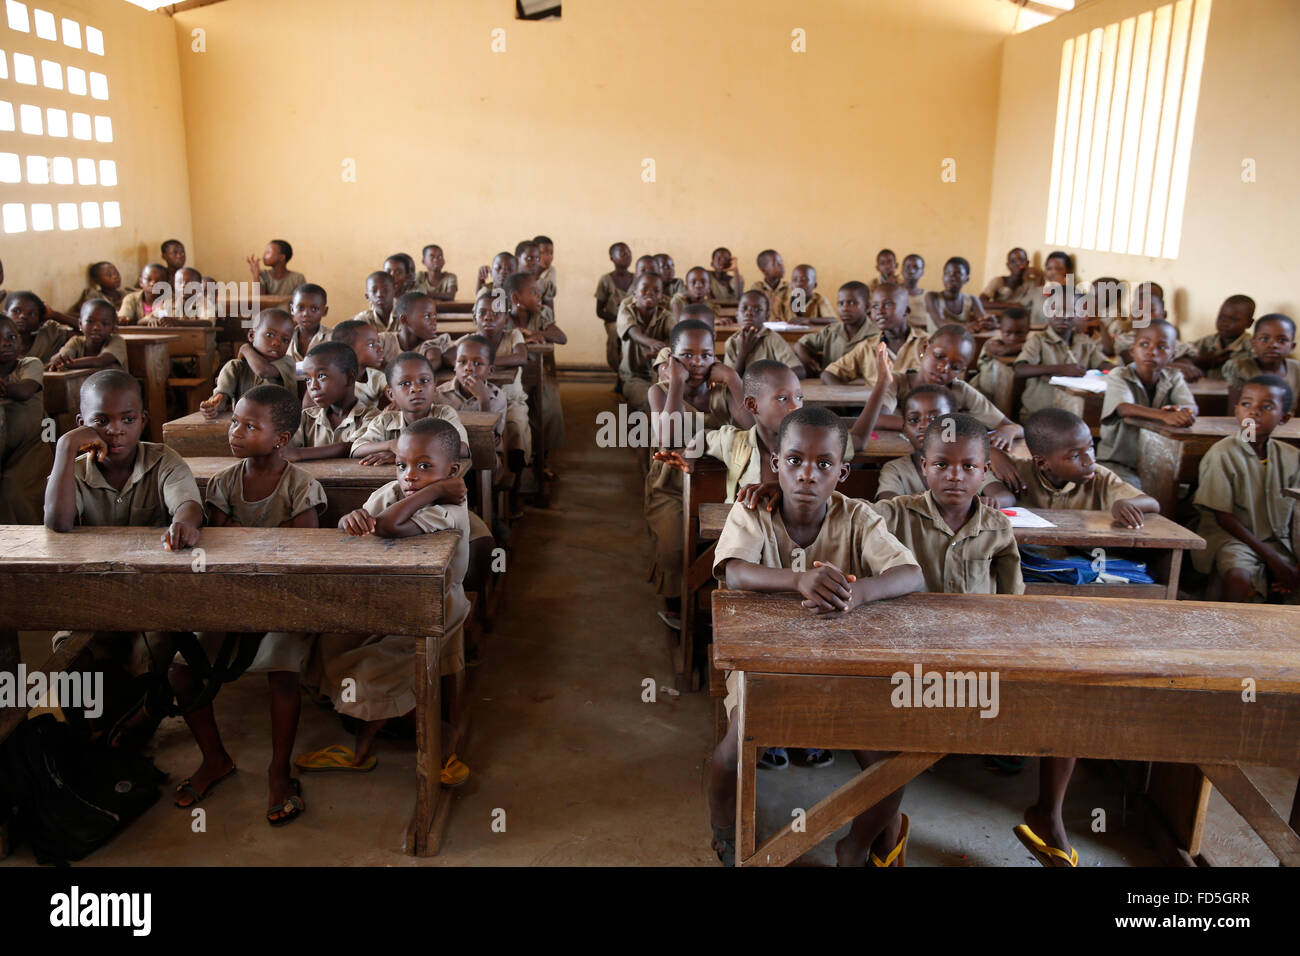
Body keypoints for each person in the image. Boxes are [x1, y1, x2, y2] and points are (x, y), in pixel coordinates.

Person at [705, 404, 924, 866]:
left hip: (845, 667)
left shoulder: (858, 517)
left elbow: (909, 574)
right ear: (775, 464)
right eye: (795, 461)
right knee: (730, 751)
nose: (808, 474)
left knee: (891, 768)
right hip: (763, 663)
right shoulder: (754, 511)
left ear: (842, 473)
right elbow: (735, 572)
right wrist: (796, 579)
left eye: (824, 464)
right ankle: (725, 830)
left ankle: (857, 844)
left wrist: (861, 591)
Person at [171, 385, 326, 825]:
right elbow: (220, 544)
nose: (235, 432)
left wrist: (242, 531)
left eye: (249, 426)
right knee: (181, 669)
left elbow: (304, 551)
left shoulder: (301, 484)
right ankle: (215, 757)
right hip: (232, 599)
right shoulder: (223, 481)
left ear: (281, 439)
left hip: (286, 602)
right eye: (235, 421)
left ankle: (279, 770)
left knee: (282, 672)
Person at [302, 417, 473, 783]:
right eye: (402, 465)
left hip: (436, 610)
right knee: (329, 641)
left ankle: (440, 735)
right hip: (390, 602)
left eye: (424, 467)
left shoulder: (450, 507)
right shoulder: (392, 492)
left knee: (369, 672)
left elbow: (388, 526)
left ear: (453, 471)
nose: (409, 476)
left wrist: (435, 490)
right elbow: (365, 522)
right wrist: (350, 518)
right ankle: (368, 733)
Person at [1191, 376, 1299, 602]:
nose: (1254, 412)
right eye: (1247, 404)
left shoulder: (1291, 457)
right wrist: (1273, 561)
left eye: (1267, 406)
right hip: (1232, 538)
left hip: (1279, 541)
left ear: (1285, 417)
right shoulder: (1223, 453)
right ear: (1236, 409)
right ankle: (1226, 632)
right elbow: (1223, 517)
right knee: (1239, 577)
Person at [1095, 320, 1196, 487]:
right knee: (1135, 492)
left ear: (1172, 355)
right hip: (1118, 463)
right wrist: (1164, 416)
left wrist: (1181, 411)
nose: (1151, 352)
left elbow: (1190, 405)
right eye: (1144, 344)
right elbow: (1123, 408)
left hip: (1157, 462)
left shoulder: (1174, 376)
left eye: (1162, 347)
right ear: (1133, 351)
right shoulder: (1119, 375)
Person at [281, 341, 379, 461]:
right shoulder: (305, 419)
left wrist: (300, 453)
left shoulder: (374, 419)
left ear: (349, 378)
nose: (313, 386)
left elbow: (355, 447)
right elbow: (284, 449)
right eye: (308, 379)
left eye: (321, 376)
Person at [0, 314, 51, 522]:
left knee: (13, 491)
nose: (5, 343)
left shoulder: (30, 364)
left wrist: (4, 388)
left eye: (11, 337)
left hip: (31, 447)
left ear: (20, 341)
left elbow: (24, 391)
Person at [200, 309, 297, 418]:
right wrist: (215, 404)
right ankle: (217, 405)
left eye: (285, 340)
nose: (277, 343)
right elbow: (224, 392)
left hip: (278, 423)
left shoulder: (287, 362)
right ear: (252, 335)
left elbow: (263, 371)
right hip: (244, 423)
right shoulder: (238, 368)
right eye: (270, 335)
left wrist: (245, 348)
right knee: (232, 365)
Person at [1222, 314, 1299, 413]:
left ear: (1292, 346)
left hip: (1289, 427)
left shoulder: (1297, 370)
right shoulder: (1240, 368)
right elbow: (1235, 413)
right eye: (1264, 339)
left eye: (1281, 340)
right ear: (1253, 343)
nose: (1273, 345)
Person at [724, 290, 804, 377]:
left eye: (757, 309)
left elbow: (799, 370)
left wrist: (769, 380)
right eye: (744, 308)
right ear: (736, 315)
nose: (749, 313)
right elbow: (729, 380)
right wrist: (743, 353)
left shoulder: (773, 339)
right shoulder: (732, 341)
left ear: (767, 316)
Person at [47, 299, 127, 371]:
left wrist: (66, 364)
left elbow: (100, 361)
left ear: (113, 328)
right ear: (80, 324)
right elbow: (64, 356)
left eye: (104, 323)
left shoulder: (117, 341)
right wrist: (59, 361)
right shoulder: (76, 341)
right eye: (90, 321)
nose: (96, 328)